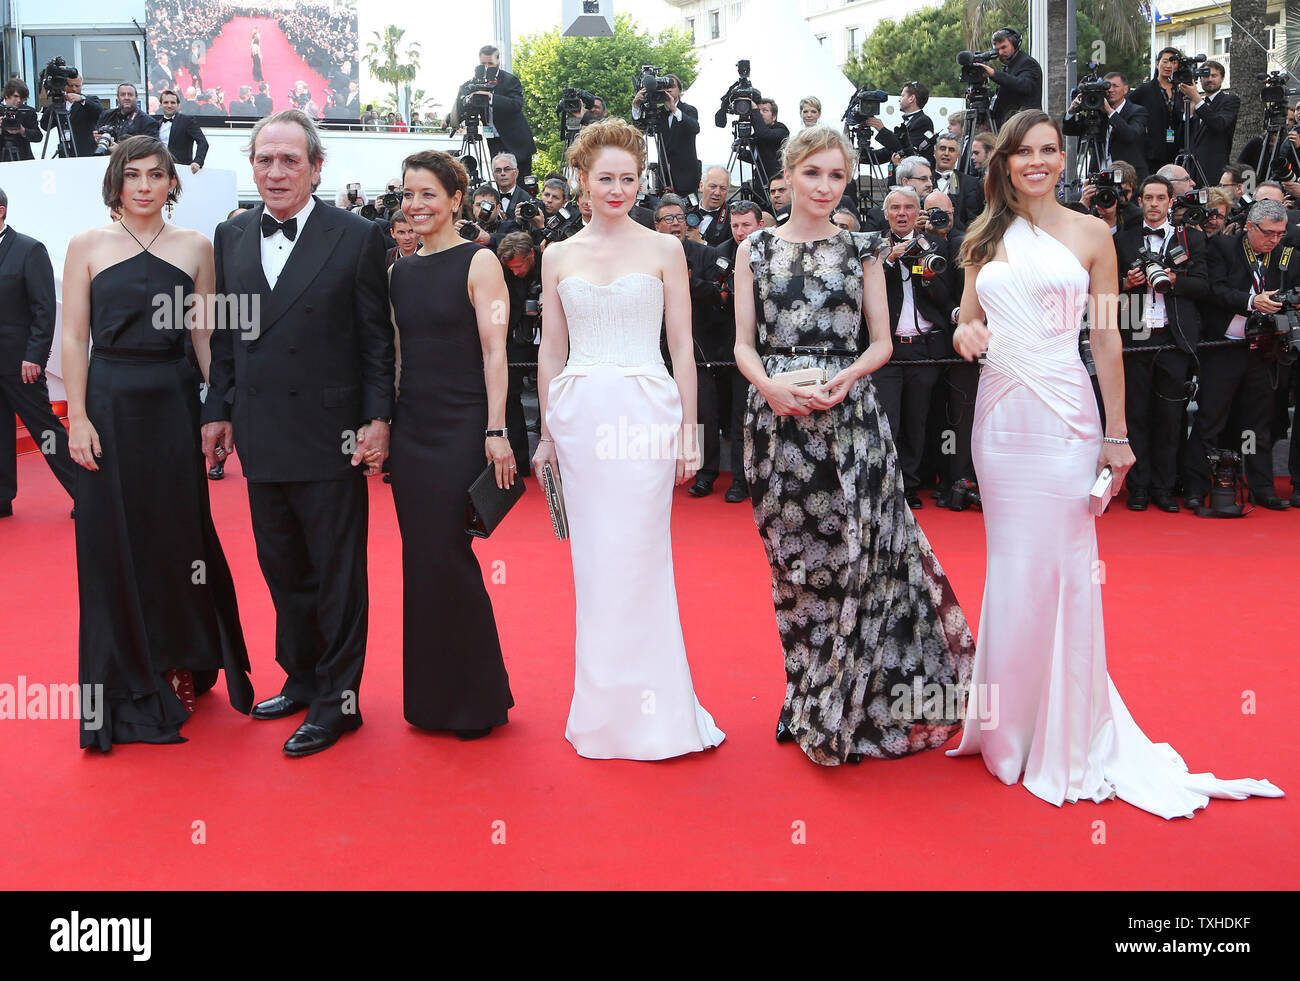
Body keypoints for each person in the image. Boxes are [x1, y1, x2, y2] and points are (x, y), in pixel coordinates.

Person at [947, 110, 1283, 817]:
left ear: (1063, 158)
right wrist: (968, 328)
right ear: (1004, 162)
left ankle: (1065, 727)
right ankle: (1009, 726)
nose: (1036, 162)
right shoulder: (982, 236)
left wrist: (1117, 432)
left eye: (1048, 150)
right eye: (1023, 152)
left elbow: (1105, 339)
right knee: (1011, 566)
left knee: (1067, 568)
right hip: (1001, 417)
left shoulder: (1094, 233)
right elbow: (965, 319)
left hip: (1067, 415)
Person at [733, 124, 974, 766]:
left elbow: (882, 342)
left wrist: (846, 379)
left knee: (860, 563)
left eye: (837, 176)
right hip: (778, 425)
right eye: (813, 173)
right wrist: (772, 387)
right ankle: (809, 696)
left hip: (851, 424)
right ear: (788, 176)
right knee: (797, 572)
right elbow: (742, 344)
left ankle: (850, 708)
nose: (824, 186)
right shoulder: (753, 248)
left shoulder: (862, 248)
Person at [200, 109, 395, 757]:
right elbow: (226, 337)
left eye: (290, 160)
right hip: (261, 430)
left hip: (332, 432)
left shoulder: (357, 234)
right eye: (264, 160)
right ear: (251, 166)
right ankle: (302, 675)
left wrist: (377, 419)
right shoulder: (230, 235)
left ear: (317, 167)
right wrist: (217, 411)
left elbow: (375, 340)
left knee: (338, 573)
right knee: (283, 568)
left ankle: (340, 701)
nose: (276, 171)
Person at [532, 118, 724, 761]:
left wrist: (690, 432)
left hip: (645, 410)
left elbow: (682, 350)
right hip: (581, 416)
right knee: (595, 565)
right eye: (605, 178)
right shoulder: (557, 255)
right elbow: (552, 349)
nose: (617, 189)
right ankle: (604, 713)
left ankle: (659, 712)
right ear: (580, 181)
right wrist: (547, 432)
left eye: (628, 177)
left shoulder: (665, 249)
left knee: (640, 558)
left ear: (642, 180)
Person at [60, 136, 253, 749]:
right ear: (115, 182)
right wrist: (78, 418)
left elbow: (204, 337)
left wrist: (218, 409)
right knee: (109, 541)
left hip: (172, 407)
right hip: (111, 406)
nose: (144, 186)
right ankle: (122, 677)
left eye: (156, 175)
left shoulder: (195, 247)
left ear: (173, 183)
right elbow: (74, 339)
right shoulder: (86, 246)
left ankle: (181, 664)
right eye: (132, 175)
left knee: (178, 538)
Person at [387, 150, 515, 739]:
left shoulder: (480, 261)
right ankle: (432, 700)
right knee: (421, 557)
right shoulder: (400, 269)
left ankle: (477, 699)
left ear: (455, 199)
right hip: (411, 427)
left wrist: (496, 430)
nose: (414, 206)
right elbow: (397, 356)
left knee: (449, 554)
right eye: (407, 195)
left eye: (427, 195)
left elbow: (495, 351)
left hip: (462, 424)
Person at [0, 185, 76, 516]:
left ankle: (84, 493)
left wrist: (35, 355)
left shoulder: (29, 250)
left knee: (46, 430)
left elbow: (44, 309)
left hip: (20, 363)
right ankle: (2, 498)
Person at [1063, 71, 1149, 181]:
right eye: (1107, 86)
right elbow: (1070, 131)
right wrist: (1071, 112)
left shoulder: (1138, 111)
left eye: (1115, 86)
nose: (1110, 90)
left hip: (1128, 176)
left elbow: (1130, 135)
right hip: (1100, 174)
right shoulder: (1098, 112)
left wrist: (1110, 111)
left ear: (1125, 89)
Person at [632, 75, 700, 195]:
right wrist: (636, 106)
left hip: (686, 176)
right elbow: (639, 128)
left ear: (679, 90)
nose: (668, 90)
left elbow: (694, 128)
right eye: (665, 87)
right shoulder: (658, 113)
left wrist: (674, 109)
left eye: (672, 86)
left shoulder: (688, 110)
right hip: (664, 176)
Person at [1184, 60, 1238, 188]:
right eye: (1205, 76)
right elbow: (1186, 136)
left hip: (1214, 170)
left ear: (1222, 78)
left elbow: (1218, 124)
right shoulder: (1195, 103)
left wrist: (1197, 99)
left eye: (1214, 76)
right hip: (1191, 170)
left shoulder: (1230, 100)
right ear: (1199, 79)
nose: (1209, 79)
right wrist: (1189, 113)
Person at [984, 27, 1042, 127]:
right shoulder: (1009, 66)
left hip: (1023, 126)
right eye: (997, 50)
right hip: (1009, 125)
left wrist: (994, 74)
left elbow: (1023, 85)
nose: (1000, 53)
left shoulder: (1027, 63)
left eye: (1004, 47)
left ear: (1015, 44)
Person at [39, 70, 101, 157]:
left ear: (81, 85)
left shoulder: (90, 100)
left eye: (77, 86)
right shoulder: (59, 104)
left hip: (86, 152)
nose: (74, 89)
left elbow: (98, 111)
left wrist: (81, 99)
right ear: (64, 85)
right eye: (70, 85)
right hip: (65, 152)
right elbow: (44, 125)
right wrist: (55, 104)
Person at [154, 90, 208, 173]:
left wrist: (197, 162)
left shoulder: (187, 121)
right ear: (161, 105)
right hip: (160, 170)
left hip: (181, 170)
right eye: (166, 102)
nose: (169, 105)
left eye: (172, 103)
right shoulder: (157, 124)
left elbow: (203, 142)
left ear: (178, 105)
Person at [1, 79, 42, 161]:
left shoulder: (28, 112)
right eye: (15, 96)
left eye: (22, 98)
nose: (19, 100)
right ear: (6, 95)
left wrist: (22, 130)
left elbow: (38, 136)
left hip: (23, 157)